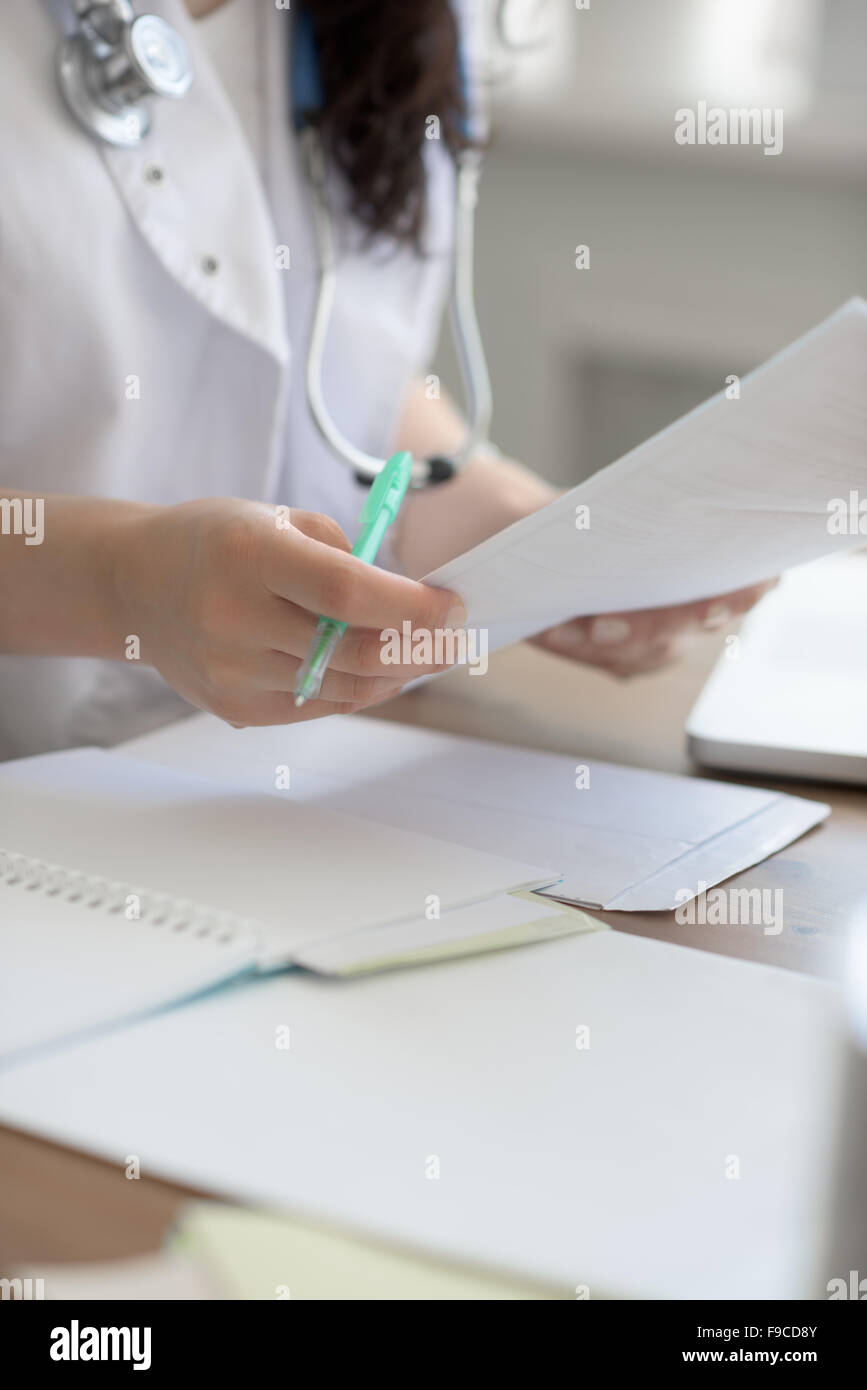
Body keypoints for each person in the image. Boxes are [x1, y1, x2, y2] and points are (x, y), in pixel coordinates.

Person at [0, 0, 769, 760]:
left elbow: (341, 372)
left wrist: (519, 535)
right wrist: (119, 581)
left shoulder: (402, 19)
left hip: (296, 772)